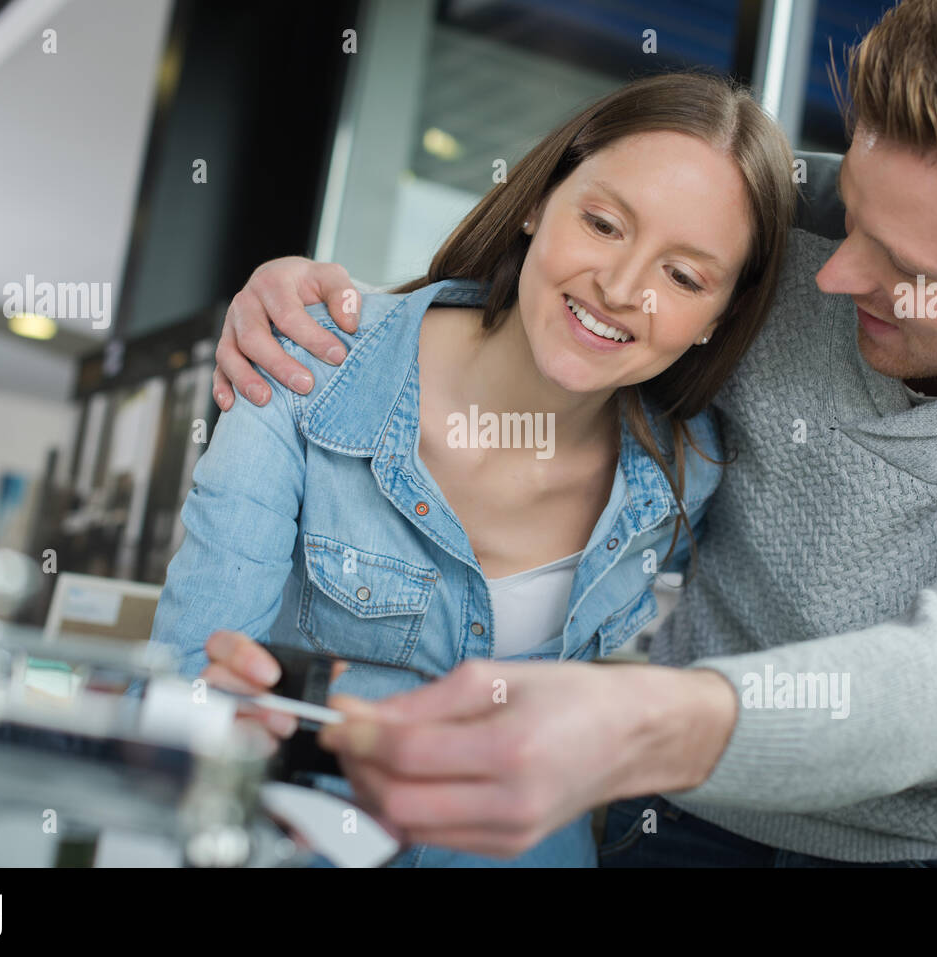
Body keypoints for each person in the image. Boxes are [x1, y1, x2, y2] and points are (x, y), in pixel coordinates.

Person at [206, 0, 937, 867]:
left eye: (909, 271)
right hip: (688, 815)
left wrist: (634, 722)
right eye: (851, 214)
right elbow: (550, 298)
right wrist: (310, 300)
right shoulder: (768, 227)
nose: (830, 273)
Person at [148, 71, 797, 866]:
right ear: (535, 202)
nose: (623, 289)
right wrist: (227, 713)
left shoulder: (690, 470)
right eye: (602, 224)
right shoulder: (307, 365)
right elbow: (188, 692)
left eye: (685, 276)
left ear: (718, 318)